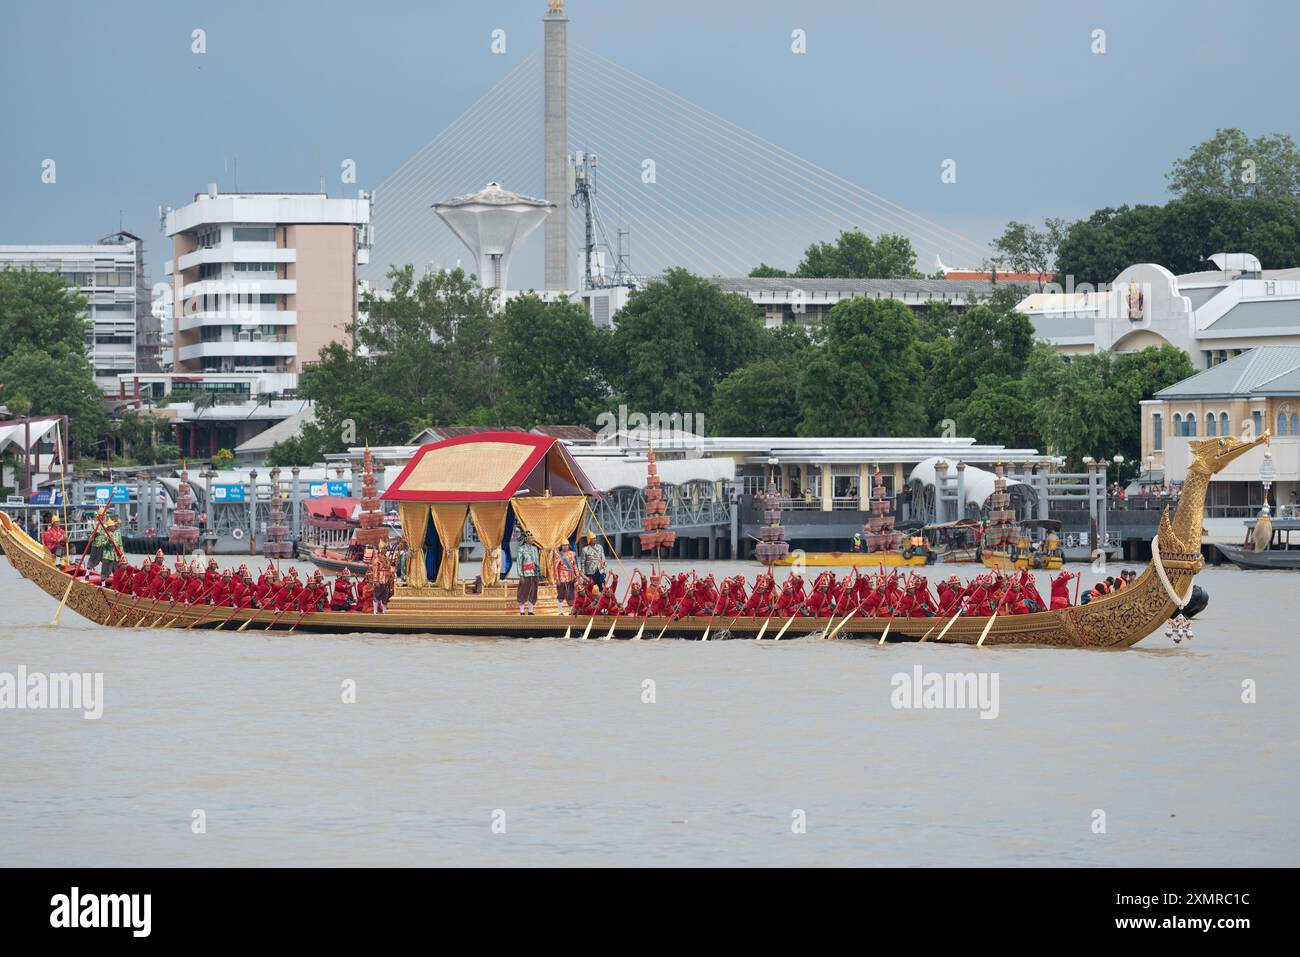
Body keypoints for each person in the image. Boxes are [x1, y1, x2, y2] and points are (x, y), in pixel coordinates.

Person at [515, 531, 542, 615]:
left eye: (533, 538)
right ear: (526, 539)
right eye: (531, 538)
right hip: (525, 573)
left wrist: (539, 572)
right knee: (523, 591)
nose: (533, 540)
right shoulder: (521, 549)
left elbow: (537, 561)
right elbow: (519, 562)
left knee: (533, 591)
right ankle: (522, 611)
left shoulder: (534, 549)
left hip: (534, 573)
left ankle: (530, 610)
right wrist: (521, 575)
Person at [551, 541, 578, 615]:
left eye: (566, 545)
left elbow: (574, 565)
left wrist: (577, 576)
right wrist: (557, 579)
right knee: (561, 595)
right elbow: (555, 568)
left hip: (571, 577)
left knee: (570, 595)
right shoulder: (558, 554)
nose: (565, 546)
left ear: (568, 545)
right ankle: (560, 612)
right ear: (561, 546)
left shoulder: (572, 553)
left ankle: (570, 612)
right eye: (563, 545)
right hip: (562, 577)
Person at [99, 516, 124, 580]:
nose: (119, 525)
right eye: (118, 523)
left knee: (117, 571)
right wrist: (108, 542)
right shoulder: (105, 533)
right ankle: (103, 584)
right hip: (108, 555)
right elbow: (101, 544)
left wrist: (122, 555)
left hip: (116, 555)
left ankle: (116, 584)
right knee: (106, 570)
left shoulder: (118, 533)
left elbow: (120, 545)